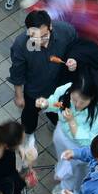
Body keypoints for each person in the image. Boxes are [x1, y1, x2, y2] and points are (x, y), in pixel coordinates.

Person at [39, 71, 98, 194]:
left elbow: (89, 142)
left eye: (83, 102)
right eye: (74, 99)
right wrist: (46, 104)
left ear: (92, 98)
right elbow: (56, 101)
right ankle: (64, 175)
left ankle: (66, 187)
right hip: (61, 135)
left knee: (72, 169)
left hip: (78, 147)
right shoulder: (67, 89)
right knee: (63, 160)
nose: (77, 105)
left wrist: (72, 122)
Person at [9, 9, 78, 145]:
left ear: (50, 26)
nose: (41, 42)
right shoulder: (21, 45)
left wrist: (74, 59)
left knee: (57, 111)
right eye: (35, 38)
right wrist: (18, 94)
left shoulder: (66, 31)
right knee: (30, 115)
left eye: (44, 36)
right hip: (35, 90)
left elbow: (76, 48)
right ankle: (29, 133)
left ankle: (54, 124)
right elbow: (17, 71)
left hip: (59, 87)